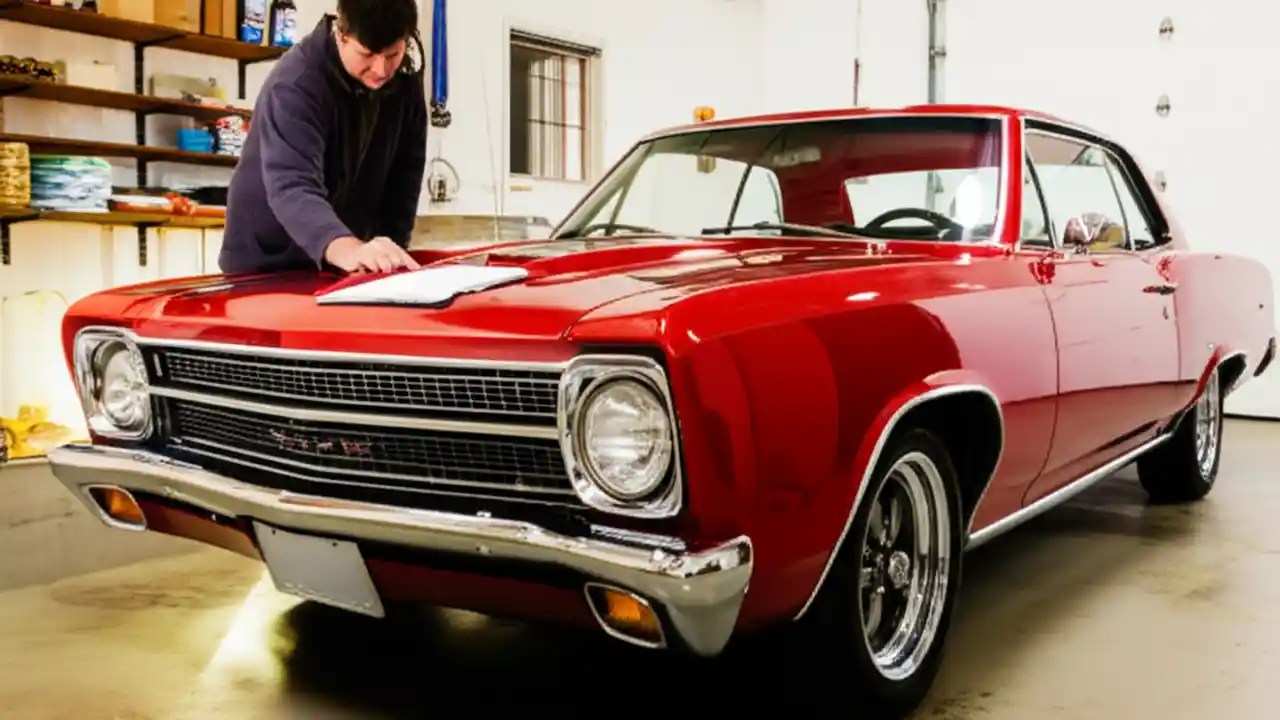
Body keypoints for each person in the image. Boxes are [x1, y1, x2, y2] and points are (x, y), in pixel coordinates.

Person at [219, 0, 427, 275]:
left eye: (393, 55)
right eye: (366, 54)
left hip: (343, 265)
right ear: (341, 34)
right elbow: (292, 183)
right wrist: (347, 248)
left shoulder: (403, 80)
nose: (380, 70)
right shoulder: (297, 83)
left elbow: (403, 184)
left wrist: (391, 260)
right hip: (267, 266)